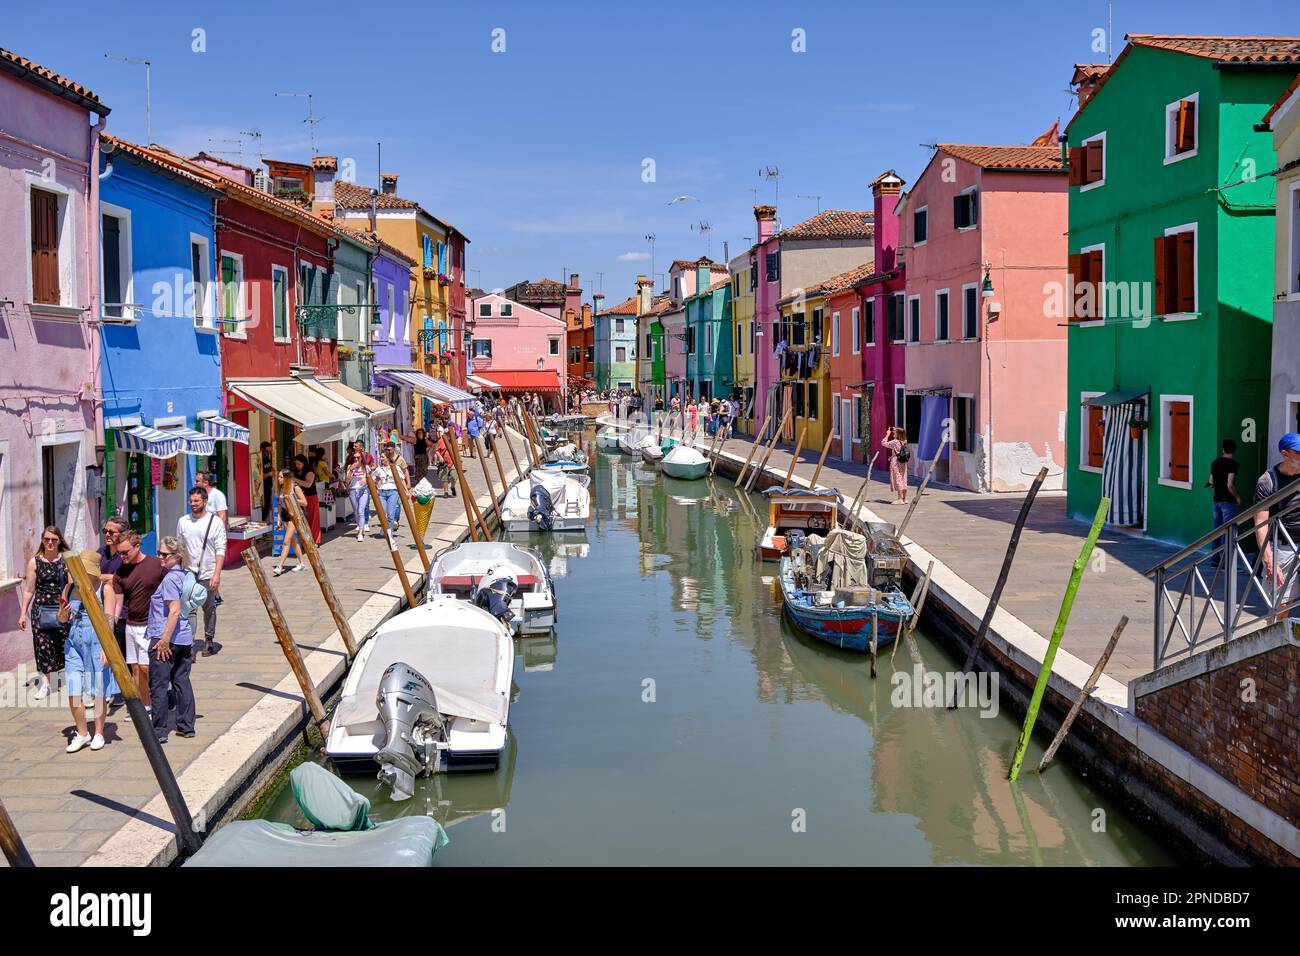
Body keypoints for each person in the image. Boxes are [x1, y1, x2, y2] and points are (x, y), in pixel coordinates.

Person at [60, 549, 115, 753]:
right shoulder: (69, 587)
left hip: (97, 642)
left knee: (99, 690)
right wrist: (62, 615)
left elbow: (110, 620)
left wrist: (107, 649)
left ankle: (99, 732)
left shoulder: (104, 589)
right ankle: (82, 733)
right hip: (74, 643)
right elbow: (63, 620)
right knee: (74, 690)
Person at [148, 536, 196, 744]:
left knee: (159, 685)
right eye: (159, 553)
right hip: (185, 638)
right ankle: (186, 726)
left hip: (166, 638)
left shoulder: (169, 579)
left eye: (164, 554)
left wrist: (165, 639)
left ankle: (159, 730)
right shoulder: (187, 575)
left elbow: (174, 610)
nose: (160, 557)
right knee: (182, 681)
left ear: (176, 557)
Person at [113, 531, 166, 713]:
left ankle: (160, 696)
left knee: (146, 667)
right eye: (119, 553)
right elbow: (118, 603)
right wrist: (110, 625)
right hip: (130, 625)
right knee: (135, 668)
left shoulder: (157, 565)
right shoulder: (120, 572)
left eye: (125, 552)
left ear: (137, 546)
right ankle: (144, 706)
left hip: (150, 626)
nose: (122, 556)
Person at [17, 526, 70, 700]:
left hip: (62, 610)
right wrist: (22, 613)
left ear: (59, 541)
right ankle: (45, 684)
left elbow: (72, 585)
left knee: (65, 644)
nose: (49, 542)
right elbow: (29, 590)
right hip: (41, 611)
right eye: (47, 539)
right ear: (42, 539)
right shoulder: (35, 562)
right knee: (43, 647)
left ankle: (71, 679)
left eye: (53, 539)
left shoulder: (66, 560)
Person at [1253, 432, 1300, 621]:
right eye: (1298, 452)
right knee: (1280, 605)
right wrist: (1270, 561)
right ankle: (1274, 644)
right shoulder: (1268, 482)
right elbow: (1261, 524)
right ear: (1285, 454)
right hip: (1283, 548)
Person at [176, 485, 226, 656]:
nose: (193, 504)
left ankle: (209, 639)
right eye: (191, 501)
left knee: (208, 608)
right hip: (189, 573)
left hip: (208, 573)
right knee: (189, 609)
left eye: (196, 501)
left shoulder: (215, 522)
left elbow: (220, 549)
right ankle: (189, 645)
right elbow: (180, 547)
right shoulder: (183, 521)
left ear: (205, 501)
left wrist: (217, 574)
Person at [99, 516, 128, 708]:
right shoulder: (100, 553)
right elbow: (91, 574)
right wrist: (110, 578)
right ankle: (111, 690)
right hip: (103, 609)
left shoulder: (125, 554)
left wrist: (107, 578)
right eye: (105, 532)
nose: (107, 535)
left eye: (111, 532)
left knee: (123, 654)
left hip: (124, 611)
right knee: (107, 653)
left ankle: (124, 692)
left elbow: (123, 579)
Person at [1206, 438, 1241, 564]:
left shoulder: (1215, 462)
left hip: (1216, 500)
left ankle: (1215, 560)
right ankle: (1226, 561)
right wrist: (1237, 497)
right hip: (1228, 502)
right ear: (1234, 450)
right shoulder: (1233, 464)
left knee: (1217, 530)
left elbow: (1211, 482)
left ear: (1223, 449)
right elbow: (1230, 485)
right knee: (1228, 531)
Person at [273, 470, 309, 576]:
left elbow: (305, 502)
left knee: (286, 541)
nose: (278, 479)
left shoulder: (295, 487)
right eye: (278, 477)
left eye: (281, 477)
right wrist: (278, 519)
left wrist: (291, 499)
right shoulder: (281, 488)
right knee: (293, 540)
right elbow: (280, 504)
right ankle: (302, 563)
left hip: (294, 515)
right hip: (285, 514)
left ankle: (280, 566)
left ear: (286, 478)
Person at [291, 453, 322, 544]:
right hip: (301, 497)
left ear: (303, 463)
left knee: (313, 519)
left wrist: (295, 479)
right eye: (296, 464)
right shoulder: (296, 471)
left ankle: (315, 540)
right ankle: (306, 540)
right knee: (304, 519)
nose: (297, 466)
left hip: (311, 497)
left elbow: (308, 484)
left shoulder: (309, 471)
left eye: (298, 464)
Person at [375, 446, 407, 531]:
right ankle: (385, 526)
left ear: (388, 458)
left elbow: (402, 479)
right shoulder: (379, 469)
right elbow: (375, 479)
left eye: (382, 457)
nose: (381, 459)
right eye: (380, 457)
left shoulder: (395, 468)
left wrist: (406, 491)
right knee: (382, 512)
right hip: (382, 492)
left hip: (393, 492)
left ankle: (389, 532)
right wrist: (376, 485)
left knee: (390, 514)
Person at [346, 449, 371, 542]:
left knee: (361, 510)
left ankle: (360, 532)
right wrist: (351, 470)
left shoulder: (366, 467)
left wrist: (366, 480)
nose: (356, 459)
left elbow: (370, 479)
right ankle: (361, 526)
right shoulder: (350, 466)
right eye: (354, 457)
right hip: (353, 490)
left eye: (358, 457)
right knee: (356, 511)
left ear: (361, 458)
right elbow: (347, 480)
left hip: (363, 491)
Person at [883, 427, 909, 505]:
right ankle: (904, 498)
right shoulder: (904, 441)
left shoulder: (895, 442)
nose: (893, 434)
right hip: (903, 462)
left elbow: (883, 443)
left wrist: (887, 435)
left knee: (898, 479)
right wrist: (896, 429)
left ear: (897, 434)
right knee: (903, 478)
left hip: (896, 462)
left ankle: (900, 499)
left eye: (895, 433)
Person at [435, 427, 458, 497]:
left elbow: (456, 451)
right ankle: (446, 492)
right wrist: (440, 457)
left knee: (454, 477)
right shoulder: (441, 440)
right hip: (445, 462)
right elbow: (437, 451)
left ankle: (452, 487)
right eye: (448, 433)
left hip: (453, 462)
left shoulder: (454, 440)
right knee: (445, 478)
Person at [259, 442, 274, 523]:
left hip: (268, 486)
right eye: (267, 451)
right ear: (262, 449)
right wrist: (270, 474)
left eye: (269, 451)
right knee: (263, 506)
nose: (268, 453)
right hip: (262, 487)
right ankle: (262, 522)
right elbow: (259, 476)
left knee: (268, 505)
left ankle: (264, 522)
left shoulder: (268, 458)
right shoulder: (259, 460)